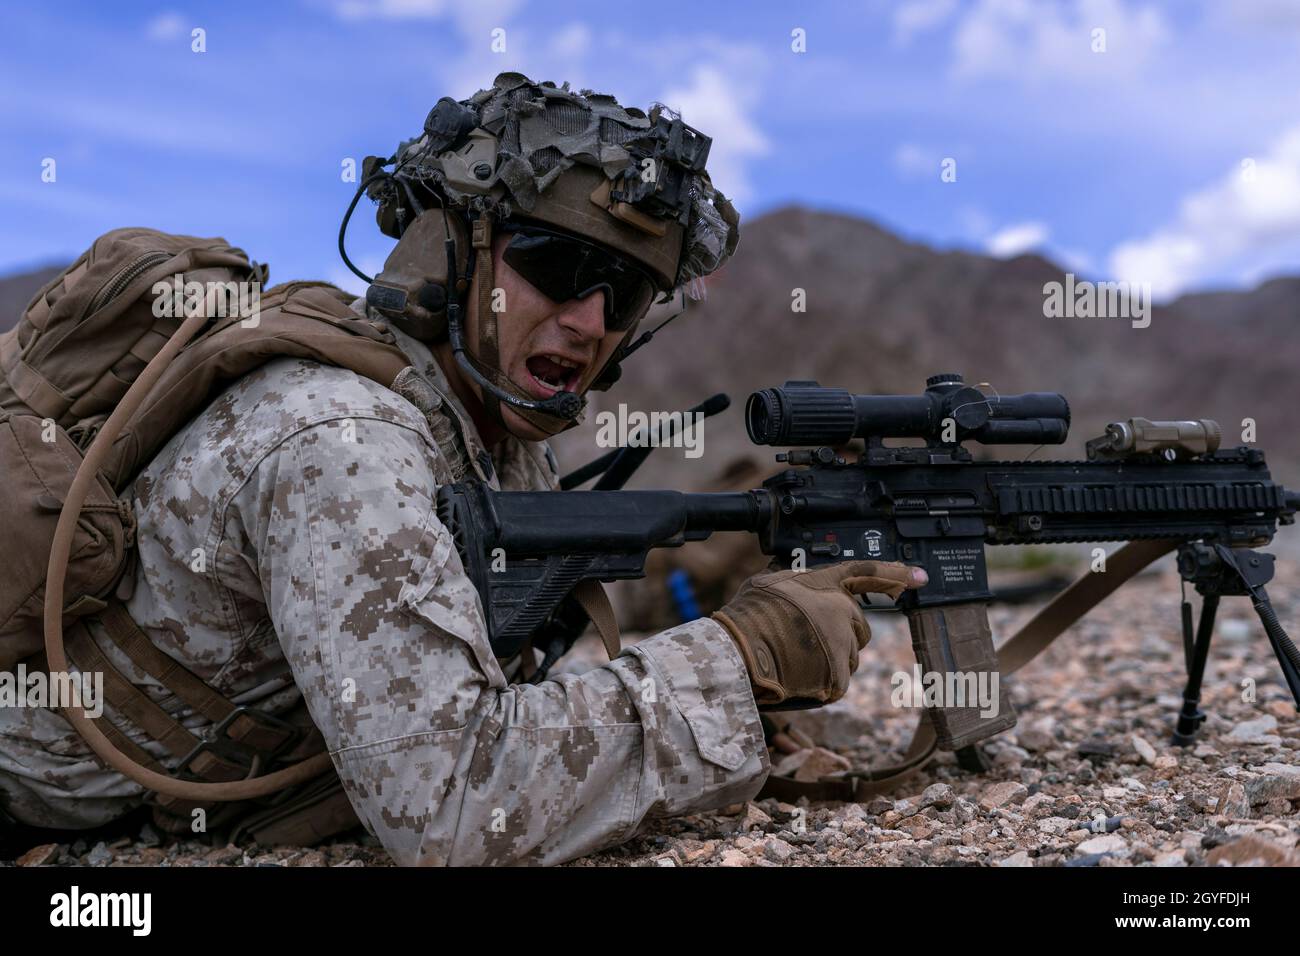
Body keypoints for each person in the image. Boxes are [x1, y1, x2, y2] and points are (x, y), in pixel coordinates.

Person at [0, 73, 924, 865]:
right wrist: (741, 659)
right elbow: (453, 812)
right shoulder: (340, 438)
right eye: (558, 266)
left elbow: (504, 663)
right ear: (455, 252)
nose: (591, 320)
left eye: (626, 293)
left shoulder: (493, 436)